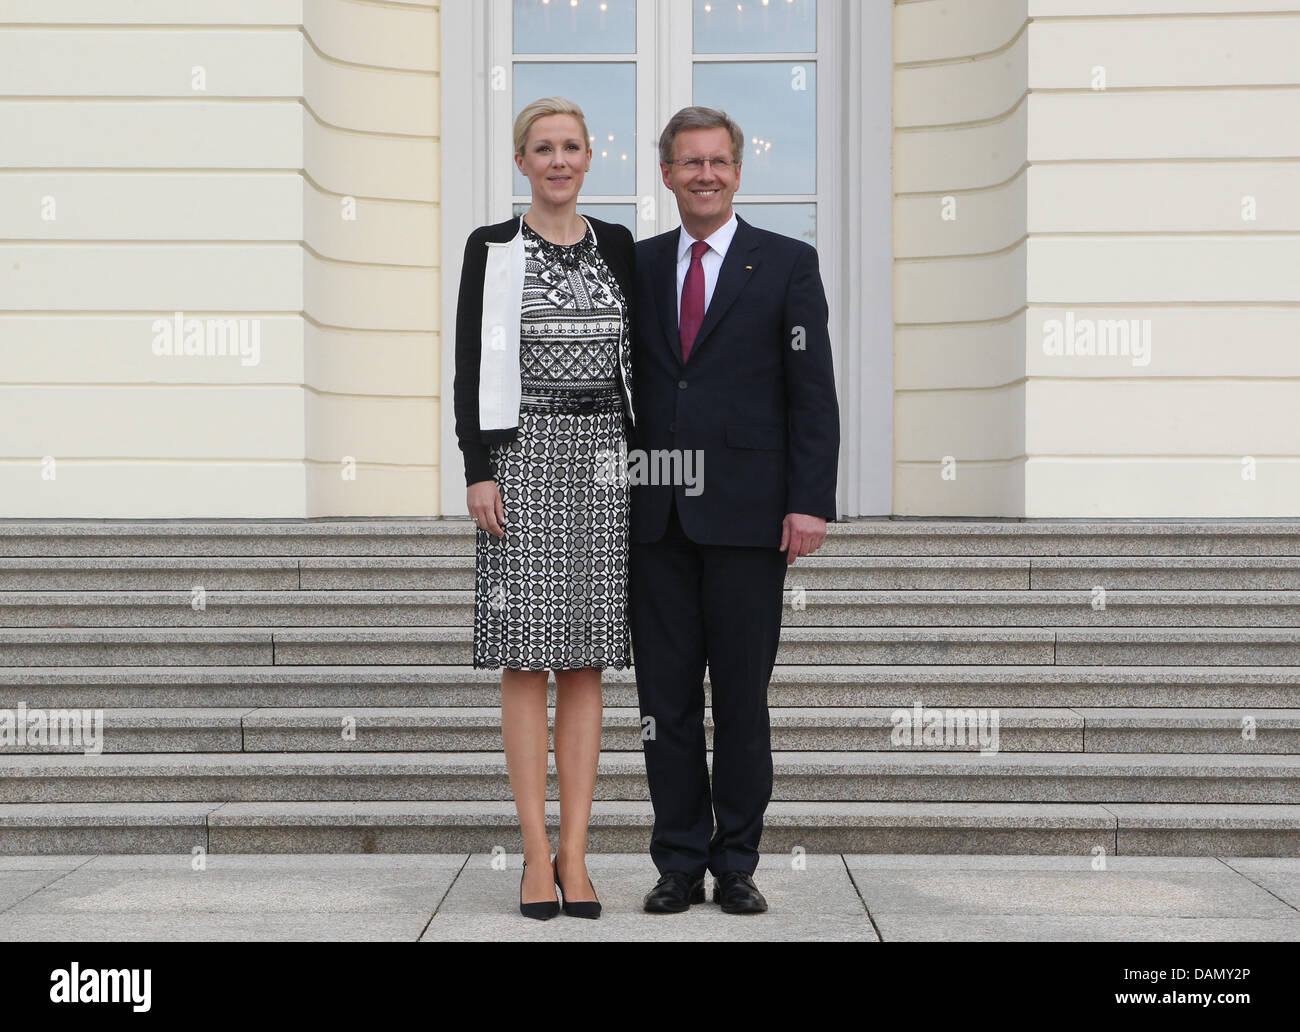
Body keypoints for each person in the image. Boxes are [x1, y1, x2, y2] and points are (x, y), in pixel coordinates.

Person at [630, 106, 840, 915]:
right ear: (667, 175)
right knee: (665, 702)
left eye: (718, 162)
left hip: (752, 520)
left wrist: (809, 501)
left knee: (742, 701)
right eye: (690, 163)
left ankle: (738, 861)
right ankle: (678, 860)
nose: (706, 175)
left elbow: (811, 393)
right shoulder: (638, 266)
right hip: (655, 521)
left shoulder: (786, 263)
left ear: (739, 172)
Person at [452, 97, 636, 920]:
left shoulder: (621, 248)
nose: (558, 160)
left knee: (587, 660)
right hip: (520, 459)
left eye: (571, 147)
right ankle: (532, 854)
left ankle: (576, 854)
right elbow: (470, 367)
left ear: (590, 158)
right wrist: (478, 468)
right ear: (521, 161)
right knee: (525, 659)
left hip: (603, 462)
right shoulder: (490, 250)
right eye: (542, 148)